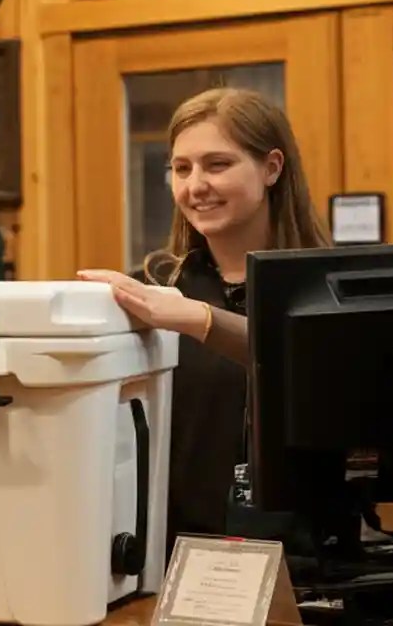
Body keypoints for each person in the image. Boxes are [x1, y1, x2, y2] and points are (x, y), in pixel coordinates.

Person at [78, 87, 330, 554]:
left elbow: (311, 361)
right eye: (181, 168)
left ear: (272, 168)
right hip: (171, 559)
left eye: (218, 165)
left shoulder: (326, 287)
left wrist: (199, 319)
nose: (195, 186)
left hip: (306, 566)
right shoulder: (154, 288)